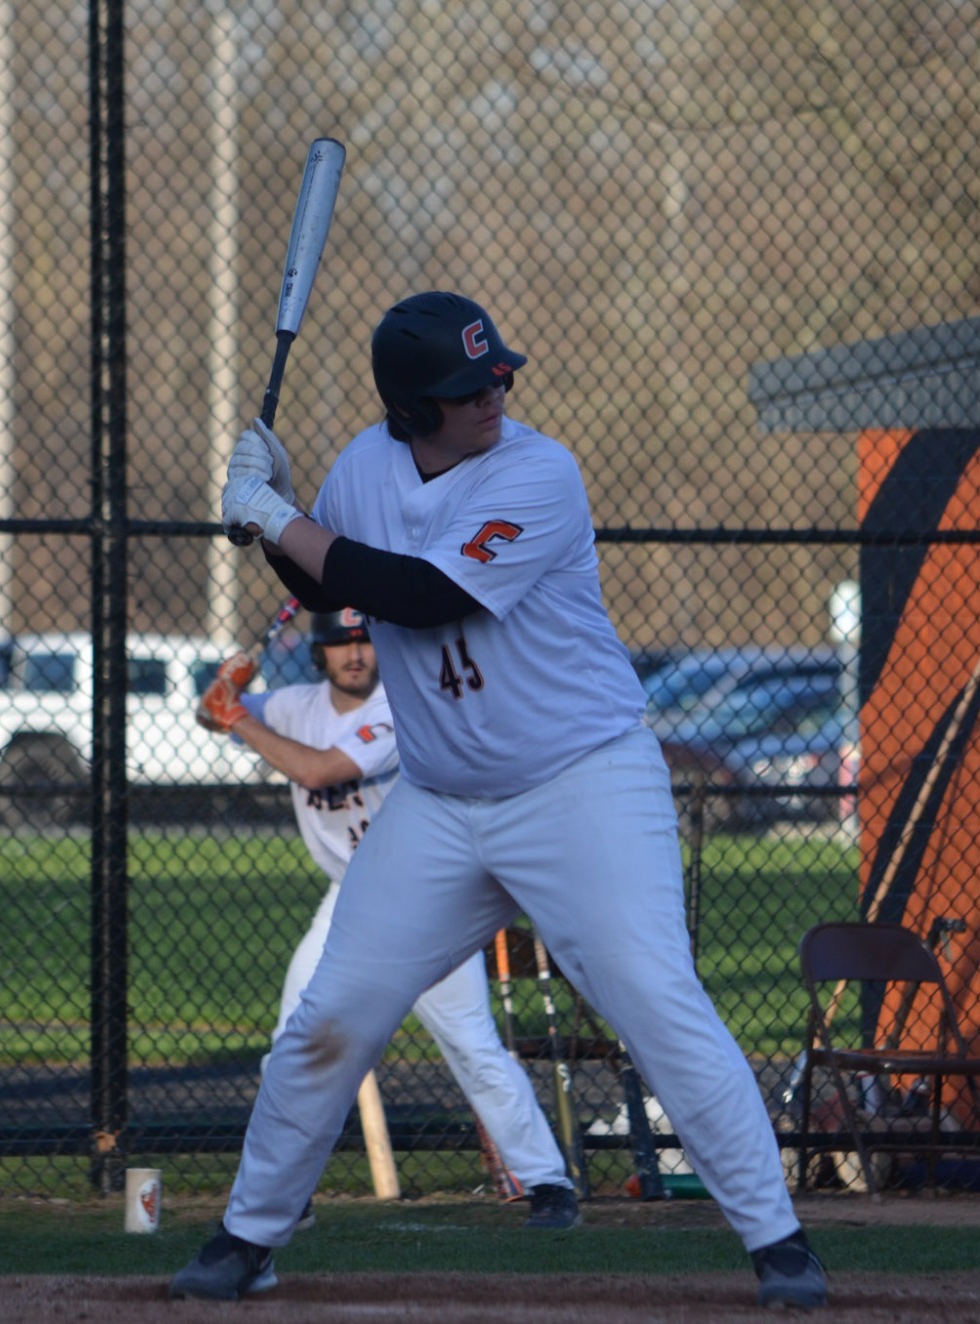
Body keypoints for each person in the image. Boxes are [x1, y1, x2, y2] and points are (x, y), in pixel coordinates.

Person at [170, 291, 825, 1309]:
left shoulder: (537, 471)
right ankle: (247, 1237)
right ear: (409, 406)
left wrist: (280, 519)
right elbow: (325, 577)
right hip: (438, 800)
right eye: (466, 387)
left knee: (653, 1000)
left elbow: (420, 593)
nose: (494, 392)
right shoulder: (360, 468)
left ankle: (776, 1240)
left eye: (495, 372)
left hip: (581, 782)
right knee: (328, 1015)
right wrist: (268, 510)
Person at [193, 606, 576, 1225]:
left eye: (365, 642)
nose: (354, 655)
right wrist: (224, 692)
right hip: (349, 896)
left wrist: (236, 713)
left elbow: (318, 770)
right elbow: (210, 718)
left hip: (423, 902)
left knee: (472, 1047)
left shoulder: (399, 707)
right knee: (292, 1045)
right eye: (340, 644)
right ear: (319, 654)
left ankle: (549, 1185)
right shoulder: (295, 706)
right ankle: (284, 1195)